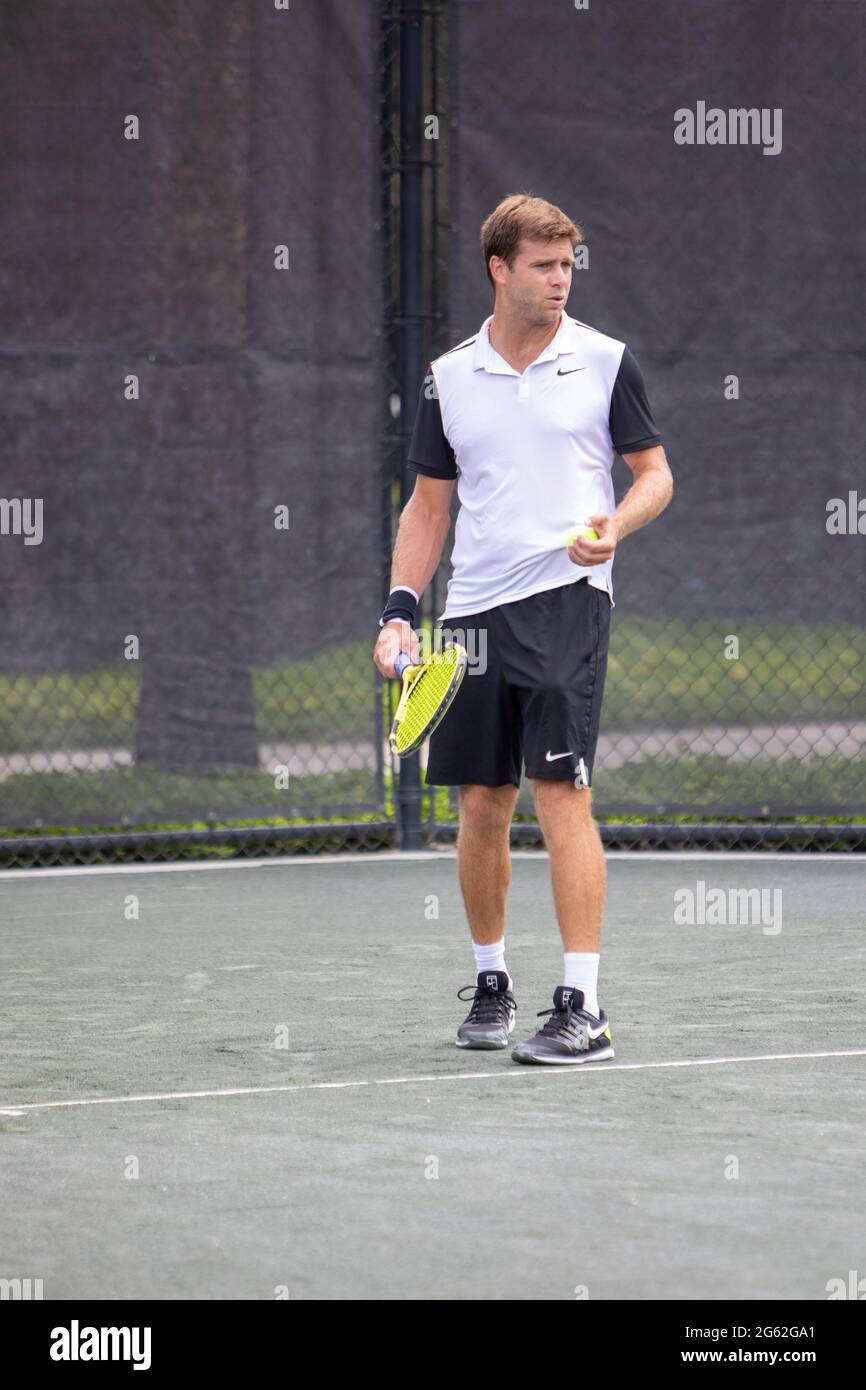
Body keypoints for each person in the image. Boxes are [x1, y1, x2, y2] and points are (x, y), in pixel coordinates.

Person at [372, 193, 673, 1064]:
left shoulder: (607, 361)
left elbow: (654, 474)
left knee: (559, 793)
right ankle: (492, 980)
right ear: (499, 269)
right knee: (480, 803)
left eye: (568, 263)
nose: (560, 280)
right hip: (469, 612)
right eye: (543, 265)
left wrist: (616, 524)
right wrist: (399, 609)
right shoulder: (451, 376)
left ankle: (582, 1005)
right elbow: (429, 510)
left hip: (566, 597)